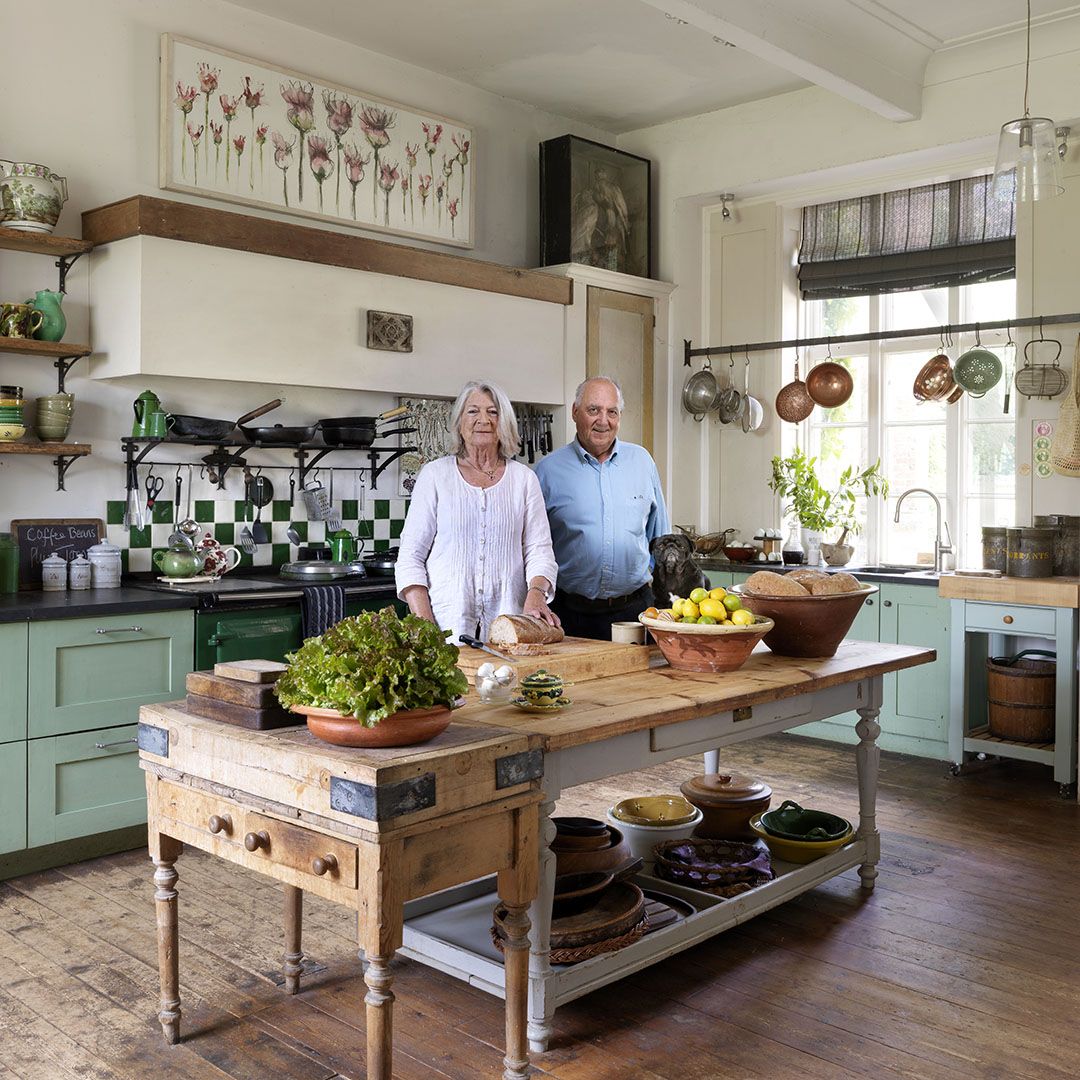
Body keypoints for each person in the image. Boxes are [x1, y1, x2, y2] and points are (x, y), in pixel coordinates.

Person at [395, 380, 560, 642]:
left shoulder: (524, 480)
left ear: (504, 422)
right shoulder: (435, 476)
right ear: (459, 422)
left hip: (510, 628)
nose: (483, 419)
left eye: (493, 412)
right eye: (473, 411)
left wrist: (536, 595)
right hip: (445, 626)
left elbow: (540, 551)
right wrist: (425, 626)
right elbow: (410, 558)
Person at [535, 376, 669, 640]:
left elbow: (660, 539)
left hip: (636, 611)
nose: (603, 421)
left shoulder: (642, 462)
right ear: (575, 412)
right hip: (568, 614)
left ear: (619, 417)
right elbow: (533, 548)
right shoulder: (546, 471)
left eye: (612, 412)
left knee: (641, 682)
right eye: (593, 410)